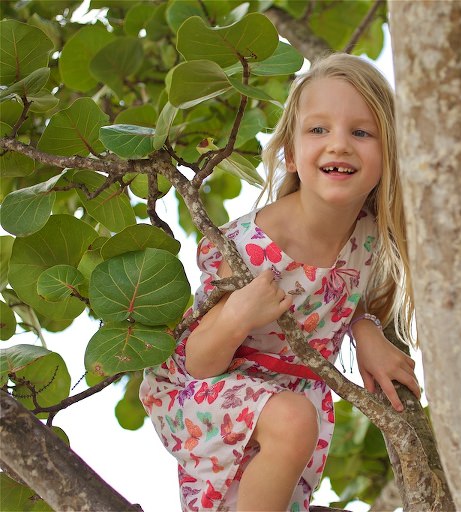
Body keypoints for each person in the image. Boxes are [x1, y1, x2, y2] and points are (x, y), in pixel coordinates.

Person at [140, 53, 420, 512]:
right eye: (318, 130)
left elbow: (349, 296)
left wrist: (363, 328)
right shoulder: (250, 246)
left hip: (291, 405)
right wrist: (237, 314)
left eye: (361, 132)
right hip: (201, 391)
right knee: (292, 421)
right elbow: (198, 360)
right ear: (290, 153)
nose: (340, 145)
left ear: (388, 153)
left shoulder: (369, 236)